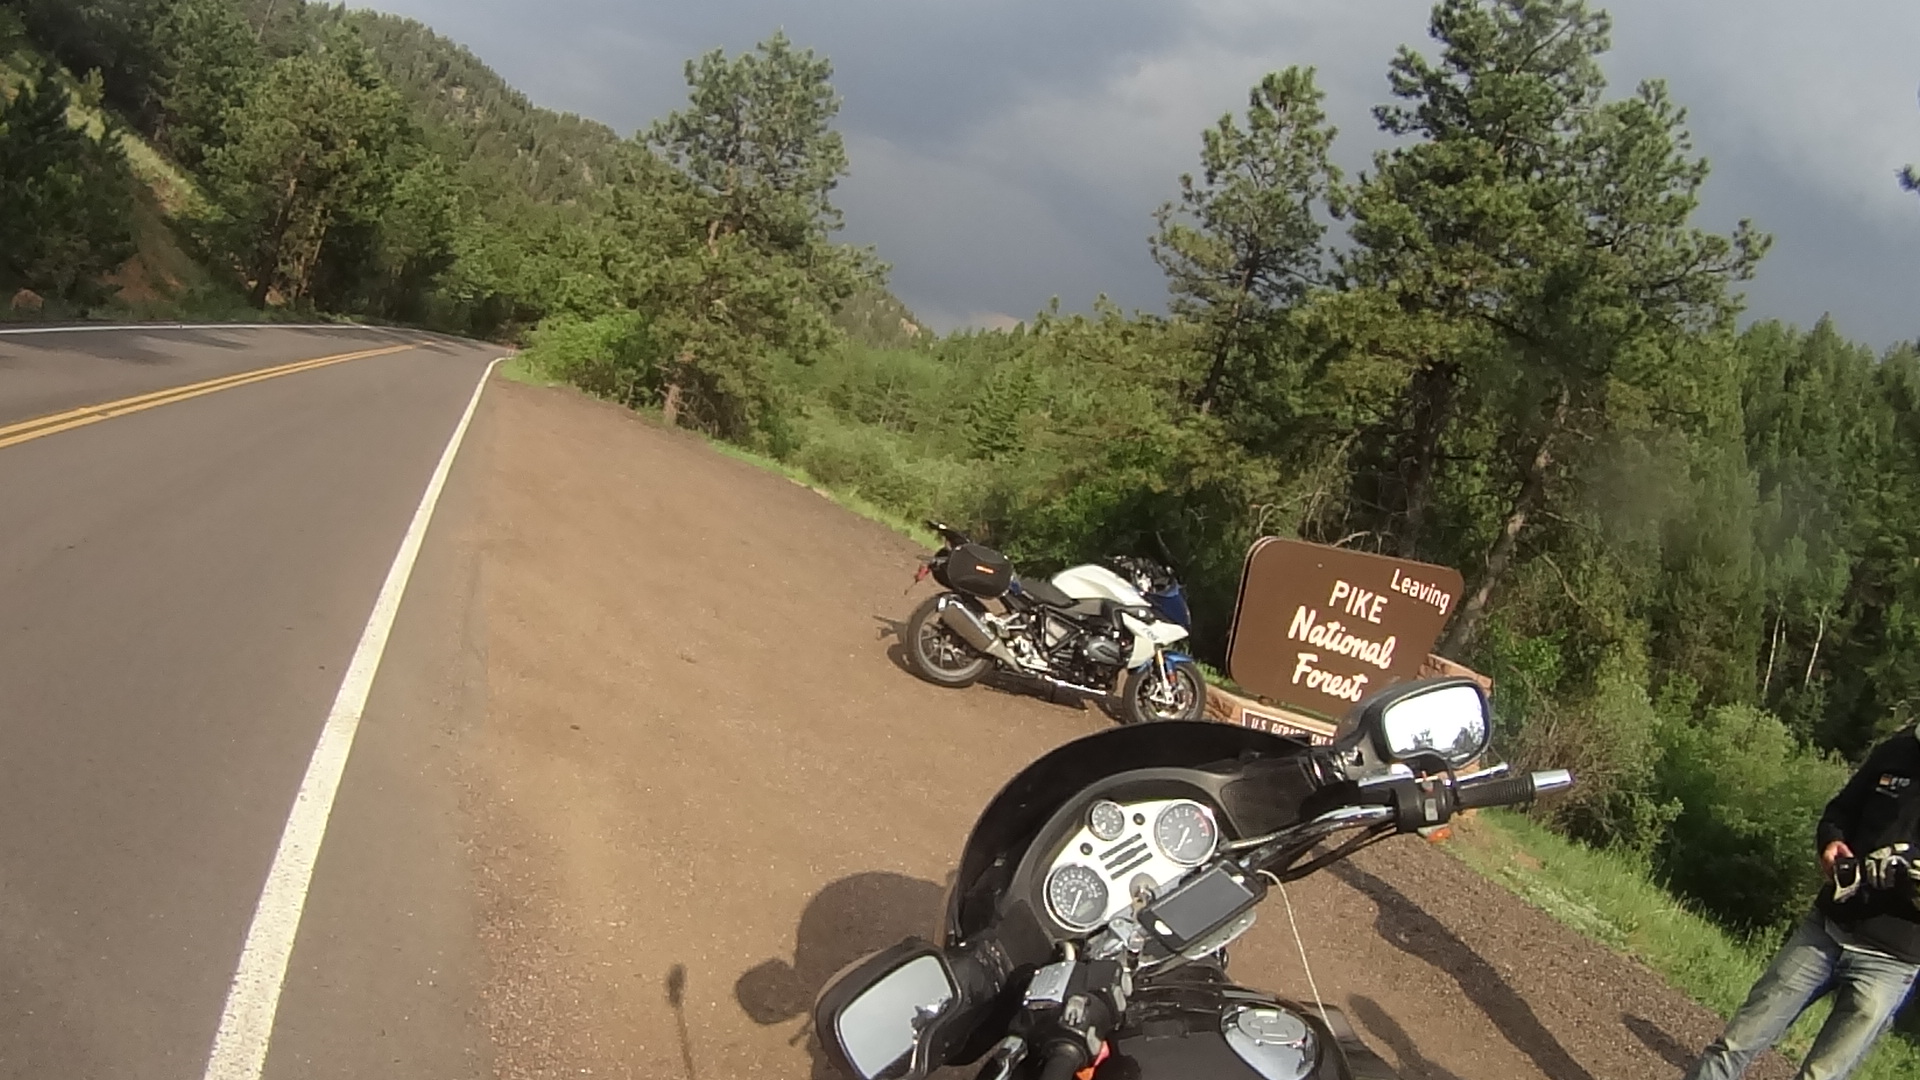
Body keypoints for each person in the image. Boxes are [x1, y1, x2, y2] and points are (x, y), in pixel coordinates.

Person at [1682, 727, 1920, 1080]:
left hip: (1892, 962)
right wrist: (1831, 842)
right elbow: (1839, 811)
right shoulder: (1896, 751)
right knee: (1734, 1045)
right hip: (1824, 930)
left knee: (1819, 1077)